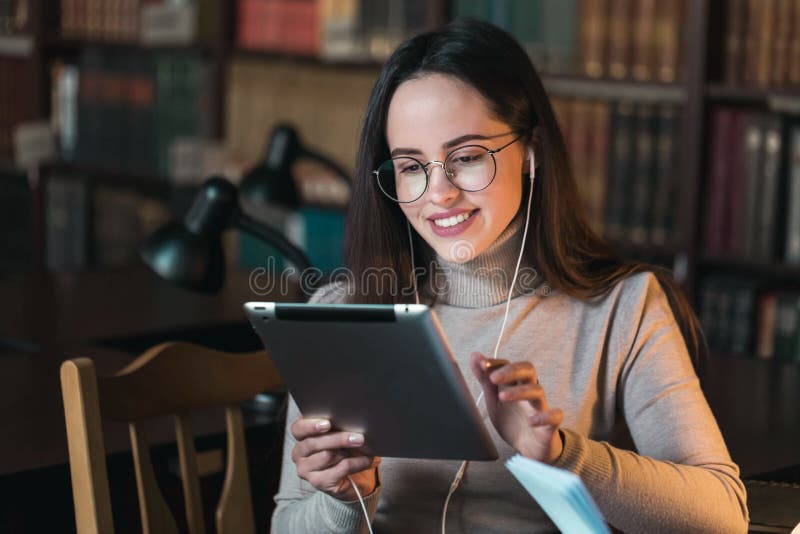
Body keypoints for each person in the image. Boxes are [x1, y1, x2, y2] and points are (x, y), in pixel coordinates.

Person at [271, 19, 748, 533]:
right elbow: (288, 524)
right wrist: (343, 502)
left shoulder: (624, 308)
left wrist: (562, 456)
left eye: (468, 157)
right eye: (411, 166)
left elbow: (722, 517)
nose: (439, 193)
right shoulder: (339, 312)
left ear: (531, 153)